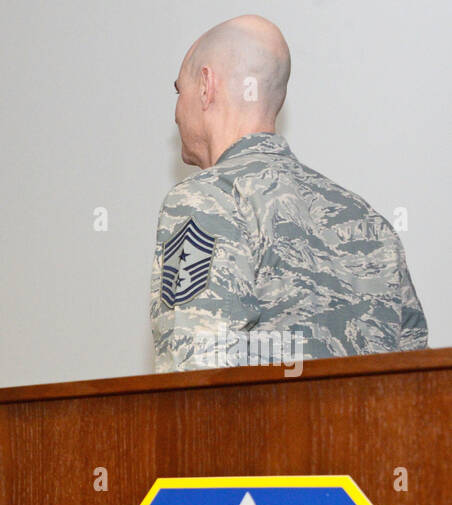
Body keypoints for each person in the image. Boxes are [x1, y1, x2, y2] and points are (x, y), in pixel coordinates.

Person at [152, 15, 427, 372]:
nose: (175, 113)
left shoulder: (206, 198)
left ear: (206, 85)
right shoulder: (369, 221)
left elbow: (193, 372)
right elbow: (416, 382)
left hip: (255, 430)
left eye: (179, 91)